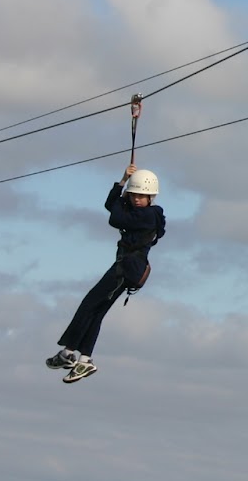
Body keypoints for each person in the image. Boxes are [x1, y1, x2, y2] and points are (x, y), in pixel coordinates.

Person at [47, 163, 166, 383]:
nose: (138, 199)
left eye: (143, 195)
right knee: (96, 311)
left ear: (151, 198)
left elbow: (115, 218)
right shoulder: (141, 212)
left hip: (126, 268)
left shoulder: (148, 216)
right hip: (127, 267)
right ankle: (79, 357)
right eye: (135, 195)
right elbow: (111, 205)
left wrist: (124, 194)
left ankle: (73, 354)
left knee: (88, 305)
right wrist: (122, 182)